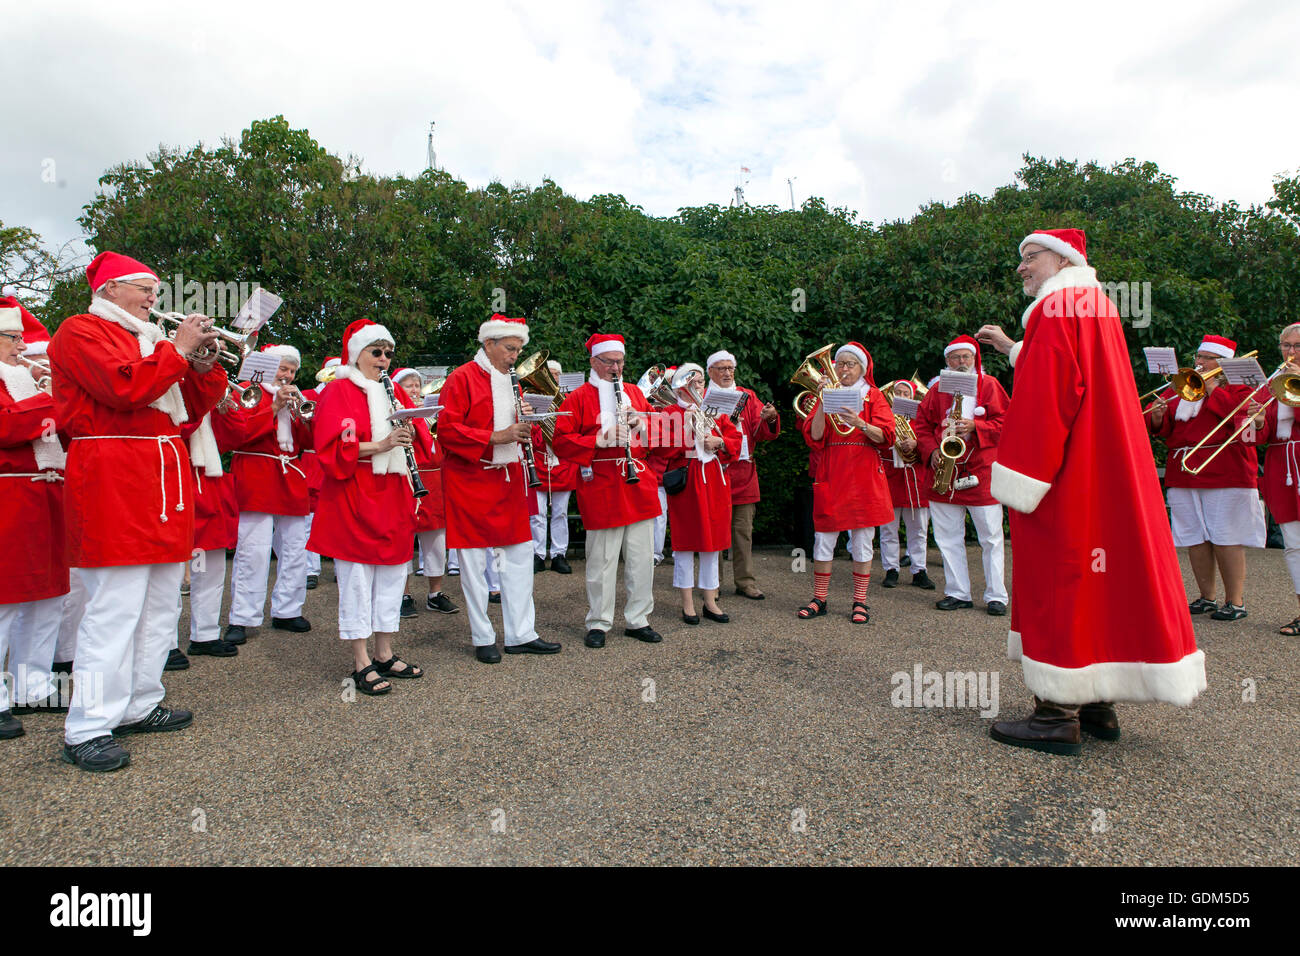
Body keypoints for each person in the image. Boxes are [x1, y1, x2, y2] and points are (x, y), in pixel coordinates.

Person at [987, 227, 1205, 753]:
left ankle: (1055, 714)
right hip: (1102, 469)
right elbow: (1077, 372)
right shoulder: (1093, 306)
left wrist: (1021, 475)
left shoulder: (1056, 310)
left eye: (1030, 257)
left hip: (1067, 475)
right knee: (1099, 580)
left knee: (1060, 578)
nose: (1021, 267)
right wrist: (1016, 348)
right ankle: (1096, 701)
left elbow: (1049, 394)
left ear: (1061, 260)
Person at [49, 251, 226, 772]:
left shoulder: (151, 341)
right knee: (114, 607)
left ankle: (139, 701)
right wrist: (177, 349)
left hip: (161, 472)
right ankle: (85, 725)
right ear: (109, 291)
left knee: (160, 601)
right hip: (112, 470)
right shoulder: (79, 330)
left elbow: (191, 410)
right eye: (141, 289)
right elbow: (123, 388)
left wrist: (203, 366)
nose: (153, 298)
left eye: (153, 289)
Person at [307, 319, 423, 695]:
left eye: (388, 353)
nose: (384, 359)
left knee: (392, 576)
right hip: (354, 495)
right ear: (357, 354)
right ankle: (361, 660)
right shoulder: (338, 390)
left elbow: (416, 432)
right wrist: (382, 444)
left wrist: (417, 425)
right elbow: (329, 450)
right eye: (377, 352)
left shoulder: (393, 392)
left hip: (391, 493)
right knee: (357, 580)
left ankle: (385, 651)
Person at [437, 314, 561, 663]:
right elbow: (446, 430)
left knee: (519, 558)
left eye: (518, 349)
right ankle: (482, 636)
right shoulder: (461, 377)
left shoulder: (511, 380)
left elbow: (515, 430)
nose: (514, 356)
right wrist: (495, 436)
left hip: (508, 480)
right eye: (510, 348)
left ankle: (522, 633)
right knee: (474, 564)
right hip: (471, 480)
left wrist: (525, 418)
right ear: (488, 344)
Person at [552, 334, 663, 647]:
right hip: (600, 483)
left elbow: (660, 438)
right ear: (593, 362)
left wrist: (643, 424)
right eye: (609, 362)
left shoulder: (634, 393)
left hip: (638, 482)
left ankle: (638, 619)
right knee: (601, 560)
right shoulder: (577, 398)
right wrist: (598, 439)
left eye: (620, 361)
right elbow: (560, 442)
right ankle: (599, 622)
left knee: (642, 560)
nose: (616, 367)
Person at [1147, 334, 1266, 620]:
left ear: (1222, 363)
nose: (1199, 363)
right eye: (1199, 357)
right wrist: (1158, 416)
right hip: (1185, 471)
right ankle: (1206, 596)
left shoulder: (1241, 387)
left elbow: (1239, 421)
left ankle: (1235, 602)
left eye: (1206, 358)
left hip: (1225, 470)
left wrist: (1213, 388)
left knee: (1226, 535)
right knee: (1194, 537)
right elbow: (1166, 431)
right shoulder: (1182, 385)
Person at [0, 299, 68, 739]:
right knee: (5, 599)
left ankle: (34, 684)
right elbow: (7, 428)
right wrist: (54, 397)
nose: (21, 347)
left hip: (46, 490)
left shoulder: (24, 379)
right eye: (13, 339)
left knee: (48, 594)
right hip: (9, 492)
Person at [796, 342, 895, 624]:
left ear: (862, 369)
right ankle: (820, 599)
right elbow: (815, 437)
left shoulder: (873, 396)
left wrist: (860, 423)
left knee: (863, 541)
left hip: (864, 473)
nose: (843, 368)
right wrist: (821, 402)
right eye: (840, 363)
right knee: (823, 539)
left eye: (850, 364)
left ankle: (860, 601)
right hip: (832, 471)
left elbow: (887, 437)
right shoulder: (827, 393)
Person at [224, 343, 313, 644]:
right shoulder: (250, 393)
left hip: (290, 474)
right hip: (257, 472)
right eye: (282, 369)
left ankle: (288, 609)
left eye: (292, 370)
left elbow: (308, 442)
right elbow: (236, 434)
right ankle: (242, 617)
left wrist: (304, 418)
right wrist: (273, 407)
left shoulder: (294, 397)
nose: (287, 375)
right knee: (254, 549)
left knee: (295, 548)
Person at [914, 335, 1010, 615]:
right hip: (944, 471)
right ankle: (958, 592)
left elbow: (1007, 422)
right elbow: (921, 424)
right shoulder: (938, 389)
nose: (961, 362)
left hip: (980, 470)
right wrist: (931, 451)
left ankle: (996, 596)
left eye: (966, 357)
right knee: (947, 538)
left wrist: (976, 426)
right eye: (955, 358)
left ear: (975, 359)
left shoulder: (989, 385)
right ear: (947, 362)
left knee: (991, 537)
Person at [650, 363, 742, 624]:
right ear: (679, 385)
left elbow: (733, 439)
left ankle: (710, 600)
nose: (697, 386)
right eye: (691, 381)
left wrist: (720, 442)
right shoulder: (670, 411)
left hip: (713, 479)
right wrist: (686, 430)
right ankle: (687, 603)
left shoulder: (714, 409)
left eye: (700, 381)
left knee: (713, 542)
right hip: (688, 480)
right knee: (685, 543)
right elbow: (660, 447)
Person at [178, 380, 252, 662]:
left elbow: (235, 435)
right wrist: (200, 398)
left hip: (208, 483)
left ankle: (205, 634)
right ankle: (165, 642)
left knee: (210, 565)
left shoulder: (207, 395)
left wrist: (223, 407)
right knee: (169, 574)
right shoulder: (175, 387)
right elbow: (180, 427)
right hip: (179, 477)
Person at [704, 350, 781, 600]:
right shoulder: (702, 397)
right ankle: (711, 583)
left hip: (744, 473)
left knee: (743, 531)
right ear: (710, 372)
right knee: (714, 532)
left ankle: (745, 581)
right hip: (713, 472)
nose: (727, 373)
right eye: (721, 368)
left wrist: (770, 418)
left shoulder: (748, 396)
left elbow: (760, 431)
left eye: (730, 368)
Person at [1240, 324, 1300, 633]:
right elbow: (1253, 438)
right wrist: (1258, 420)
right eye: (1286, 346)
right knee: (1293, 544)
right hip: (1282, 469)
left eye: (1297, 346)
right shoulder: (1273, 382)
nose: (1291, 352)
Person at [392, 367, 459, 617]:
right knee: (404, 540)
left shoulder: (430, 413)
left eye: (417, 385)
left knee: (437, 540)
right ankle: (404, 594)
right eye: (409, 385)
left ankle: (435, 593)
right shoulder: (396, 412)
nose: (415, 390)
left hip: (434, 480)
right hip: (409, 478)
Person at [878, 376, 935, 590]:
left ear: (913, 396)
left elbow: (931, 441)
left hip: (915, 479)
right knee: (888, 529)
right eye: (898, 393)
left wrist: (917, 443)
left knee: (919, 529)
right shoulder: (884, 417)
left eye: (906, 393)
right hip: (891, 478)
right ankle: (891, 569)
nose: (901, 397)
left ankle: (919, 570)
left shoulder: (922, 419)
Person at [531, 359, 577, 574]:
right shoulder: (532, 401)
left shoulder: (568, 400)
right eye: (549, 374)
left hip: (562, 463)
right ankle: (538, 554)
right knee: (537, 514)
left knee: (560, 513)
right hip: (540, 461)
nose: (553, 378)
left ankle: (559, 554)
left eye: (556, 374)